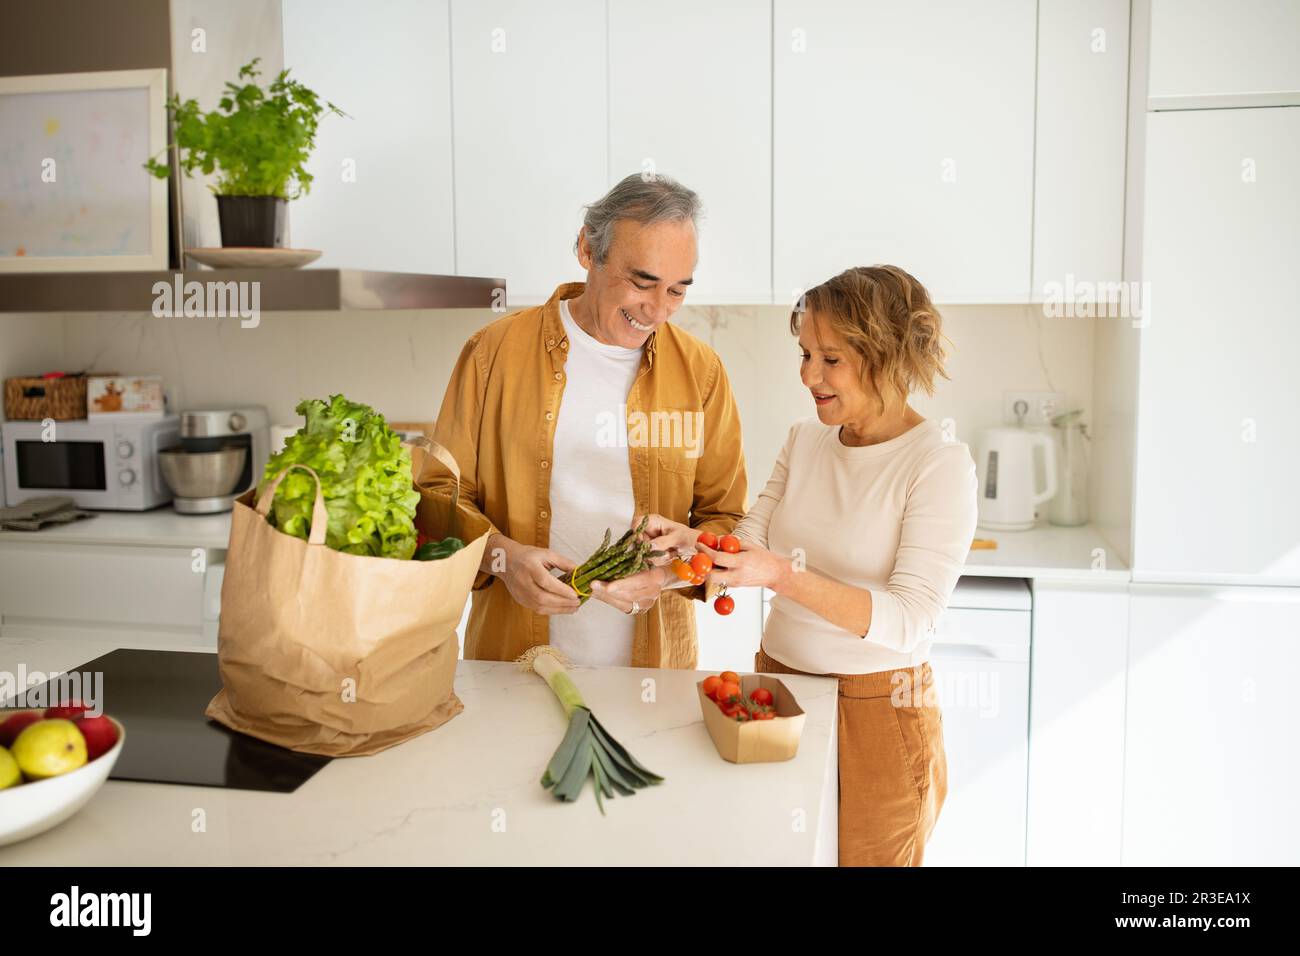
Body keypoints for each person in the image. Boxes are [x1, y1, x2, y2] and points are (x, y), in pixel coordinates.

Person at [642, 265, 977, 865]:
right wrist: (687, 546)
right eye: (804, 355)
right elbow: (749, 543)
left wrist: (781, 575)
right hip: (778, 689)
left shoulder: (937, 463)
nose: (808, 376)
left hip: (879, 710)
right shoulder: (805, 439)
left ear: (889, 356)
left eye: (831, 359)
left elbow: (910, 621)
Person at [425, 174, 747, 668]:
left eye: (677, 290)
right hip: (512, 662)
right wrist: (505, 559)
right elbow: (437, 498)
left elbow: (724, 521)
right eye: (641, 282)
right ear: (586, 248)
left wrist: (669, 575)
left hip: (653, 674)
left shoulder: (701, 373)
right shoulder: (493, 354)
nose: (657, 309)